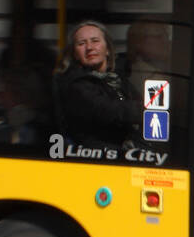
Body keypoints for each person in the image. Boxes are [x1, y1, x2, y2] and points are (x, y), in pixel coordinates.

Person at [53, 20, 142, 148]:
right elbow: (110, 110)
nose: (89, 47)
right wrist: (148, 112)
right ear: (75, 54)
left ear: (107, 49)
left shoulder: (118, 77)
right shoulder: (76, 84)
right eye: (81, 43)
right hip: (95, 155)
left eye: (95, 41)